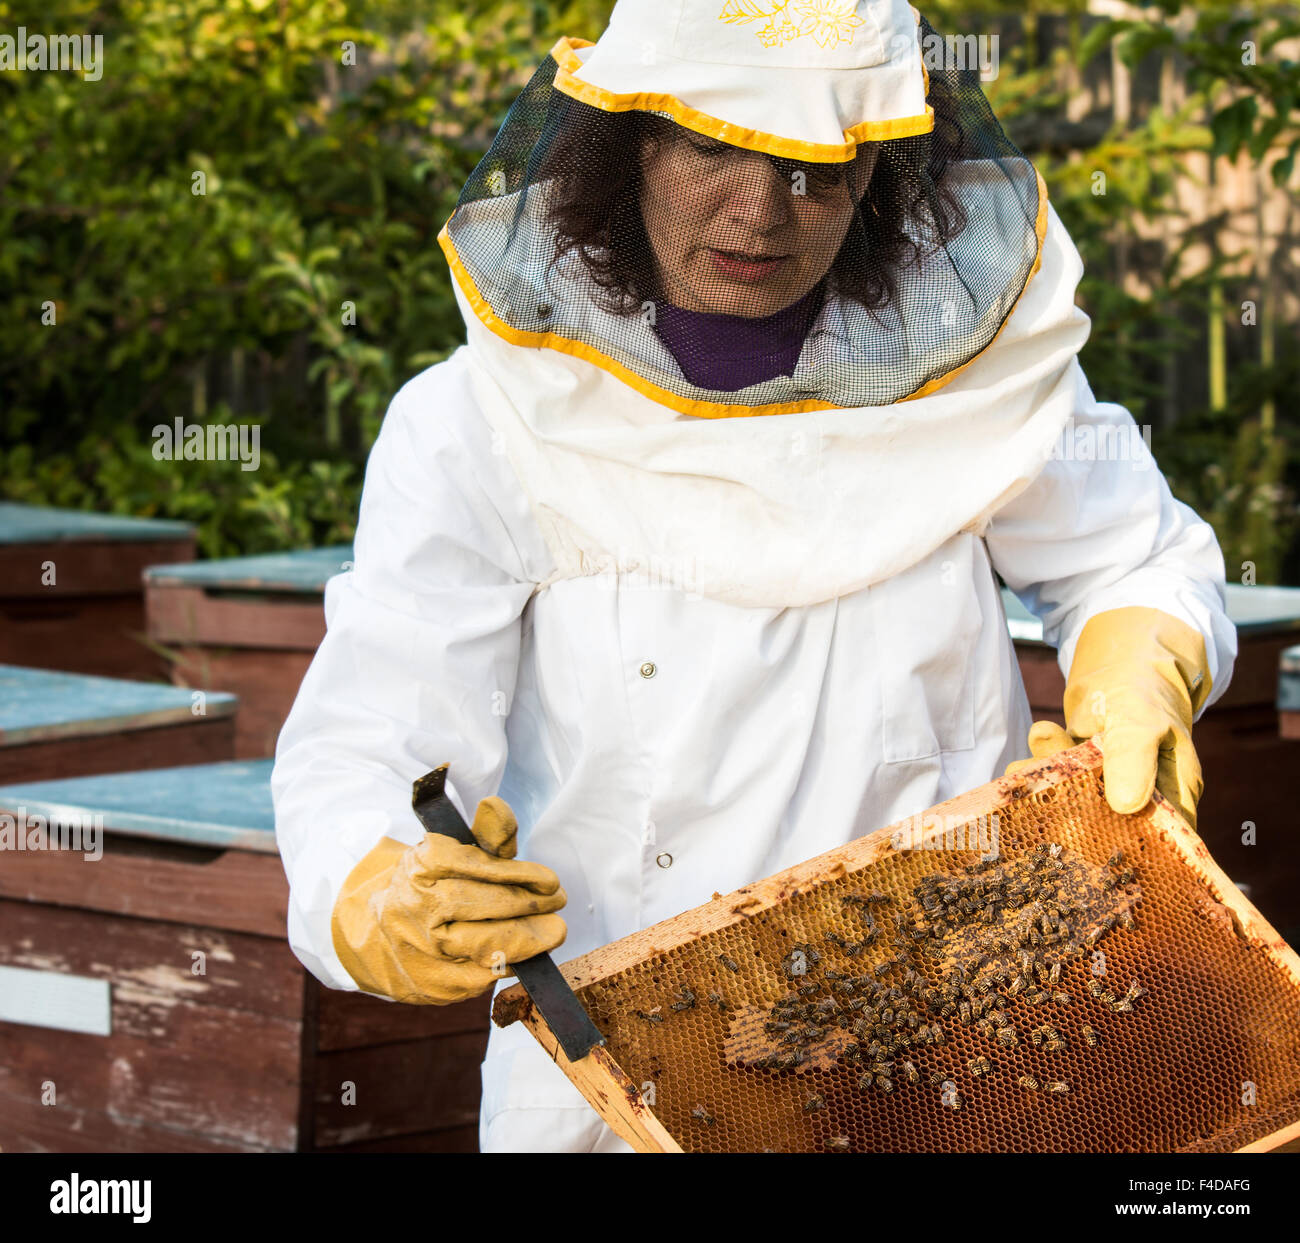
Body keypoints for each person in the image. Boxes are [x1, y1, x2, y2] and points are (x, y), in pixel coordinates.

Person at [272, 0, 1237, 1153]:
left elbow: (1127, 556)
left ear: (876, 171)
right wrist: (372, 888)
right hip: (618, 1083)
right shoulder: (473, 424)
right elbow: (371, 736)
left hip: (960, 1053)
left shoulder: (968, 383)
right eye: (712, 147)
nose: (760, 213)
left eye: (813, 173)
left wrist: (1137, 669)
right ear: (629, 141)